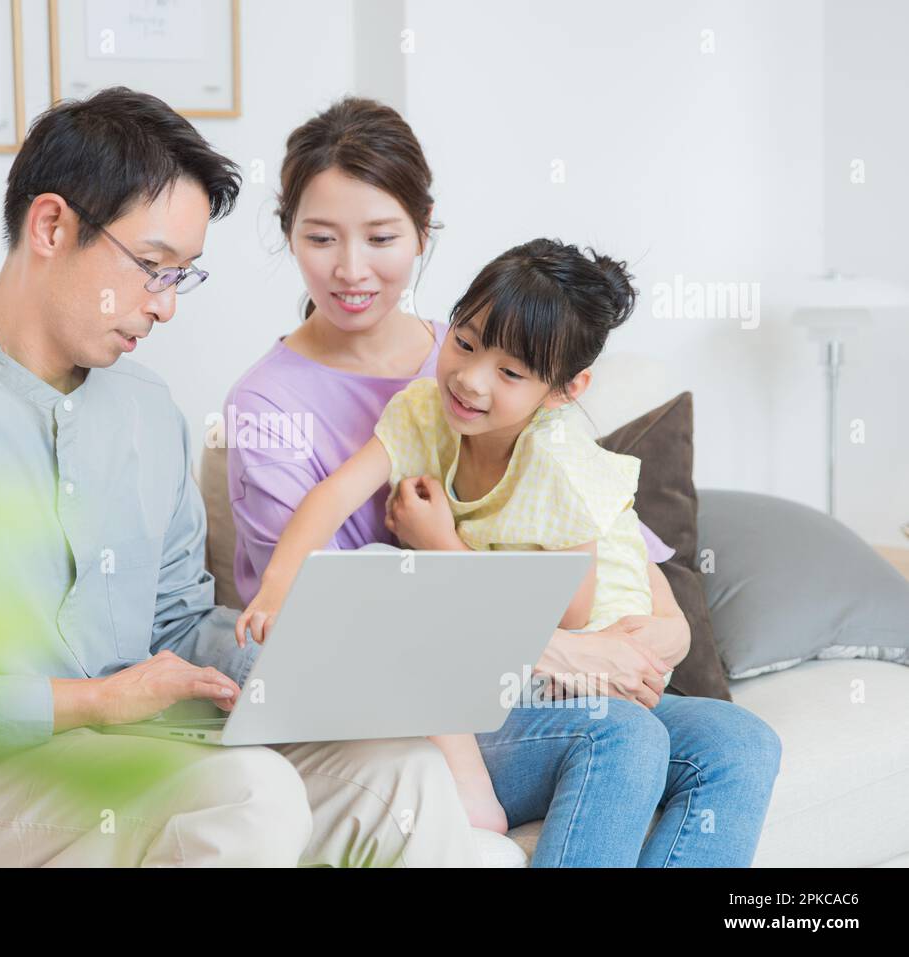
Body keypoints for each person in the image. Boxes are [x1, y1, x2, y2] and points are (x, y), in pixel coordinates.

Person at [0, 87, 481, 867]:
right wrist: (92, 701)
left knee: (402, 772)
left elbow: (177, 627)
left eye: (183, 276)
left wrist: (301, 655)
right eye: (152, 267)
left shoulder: (147, 412)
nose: (166, 307)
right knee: (248, 795)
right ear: (51, 226)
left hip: (121, 746)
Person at [225, 98, 783, 866]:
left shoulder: (482, 362)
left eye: (381, 236)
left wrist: (655, 639)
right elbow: (329, 624)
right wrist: (556, 649)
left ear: (425, 231)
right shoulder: (278, 405)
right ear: (288, 232)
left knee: (739, 743)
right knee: (614, 732)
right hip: (413, 700)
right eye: (321, 237)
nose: (351, 268)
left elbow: (627, 559)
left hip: (536, 669)